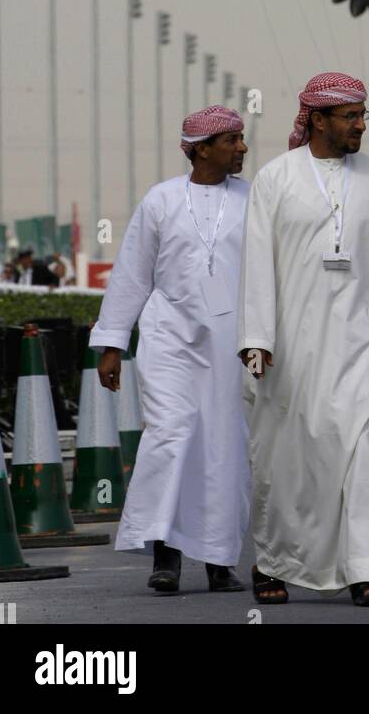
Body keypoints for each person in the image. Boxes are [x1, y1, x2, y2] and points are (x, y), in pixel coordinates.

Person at [239, 71, 369, 607]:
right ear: (316, 118)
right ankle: (273, 563)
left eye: (364, 114)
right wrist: (256, 338)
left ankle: (364, 568)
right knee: (285, 460)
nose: (360, 124)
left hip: (355, 343)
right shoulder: (276, 178)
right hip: (289, 349)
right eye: (350, 116)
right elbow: (257, 263)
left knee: (361, 450)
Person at [91, 106, 251, 594]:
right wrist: (112, 343)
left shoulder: (254, 198)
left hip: (232, 342)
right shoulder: (160, 200)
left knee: (225, 444)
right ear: (202, 148)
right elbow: (133, 274)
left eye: (242, 139)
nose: (243, 148)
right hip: (169, 338)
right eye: (232, 140)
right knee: (171, 434)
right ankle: (165, 552)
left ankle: (220, 560)